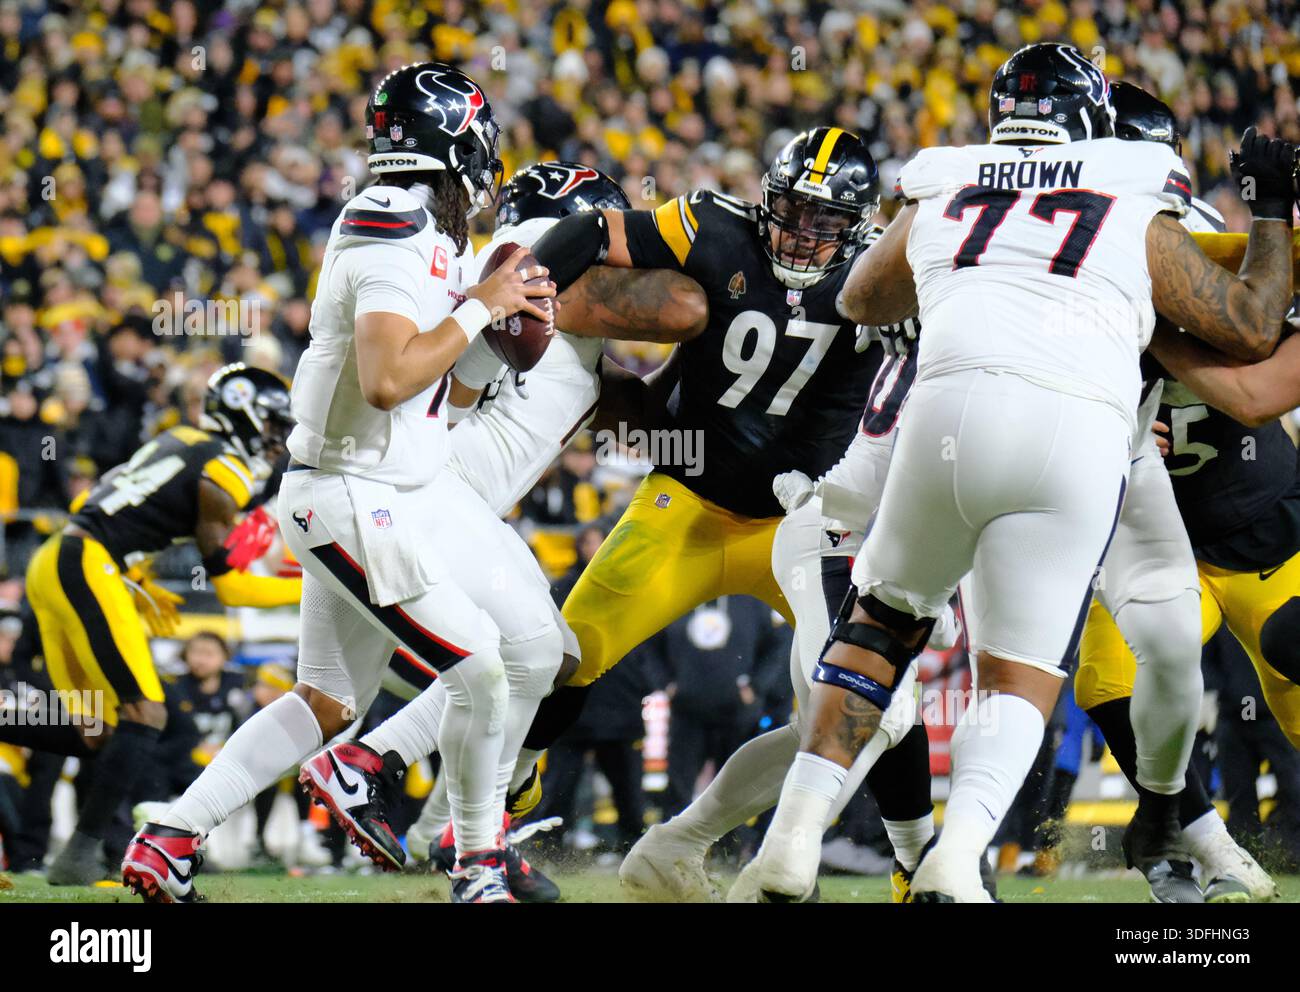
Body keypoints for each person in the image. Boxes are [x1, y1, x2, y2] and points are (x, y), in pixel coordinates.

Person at [748, 42, 1296, 903]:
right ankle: (961, 859)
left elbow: (859, 296)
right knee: (1021, 672)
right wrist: (1274, 214)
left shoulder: (954, 178)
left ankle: (790, 838)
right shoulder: (1132, 194)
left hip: (951, 421)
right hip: (1078, 437)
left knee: (875, 634)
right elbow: (1256, 335)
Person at [123, 62, 559, 904]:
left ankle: (170, 836)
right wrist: (481, 305)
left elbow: (434, 392)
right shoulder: (392, 222)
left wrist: (491, 331)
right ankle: (476, 868)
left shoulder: (425, 231)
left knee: (326, 702)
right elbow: (390, 377)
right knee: (481, 671)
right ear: (457, 147)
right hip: (357, 498)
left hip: (385, 490)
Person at [1072, 81, 1277, 902]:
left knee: (1290, 685)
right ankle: (1190, 843)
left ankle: (1192, 840)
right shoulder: (1067, 260)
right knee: (1109, 681)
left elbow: (1264, 358)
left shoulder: (1198, 248)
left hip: (1242, 512)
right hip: (1146, 515)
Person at [7, 362, 299, 886]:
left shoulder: (180, 438)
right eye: (274, 424)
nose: (277, 438)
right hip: (86, 564)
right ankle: (80, 856)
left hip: (59, 560)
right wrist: (315, 588)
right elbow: (232, 587)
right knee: (146, 714)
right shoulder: (226, 470)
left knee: (96, 728)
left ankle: (81, 853)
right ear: (245, 415)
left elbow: (89, 502)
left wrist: (135, 570)